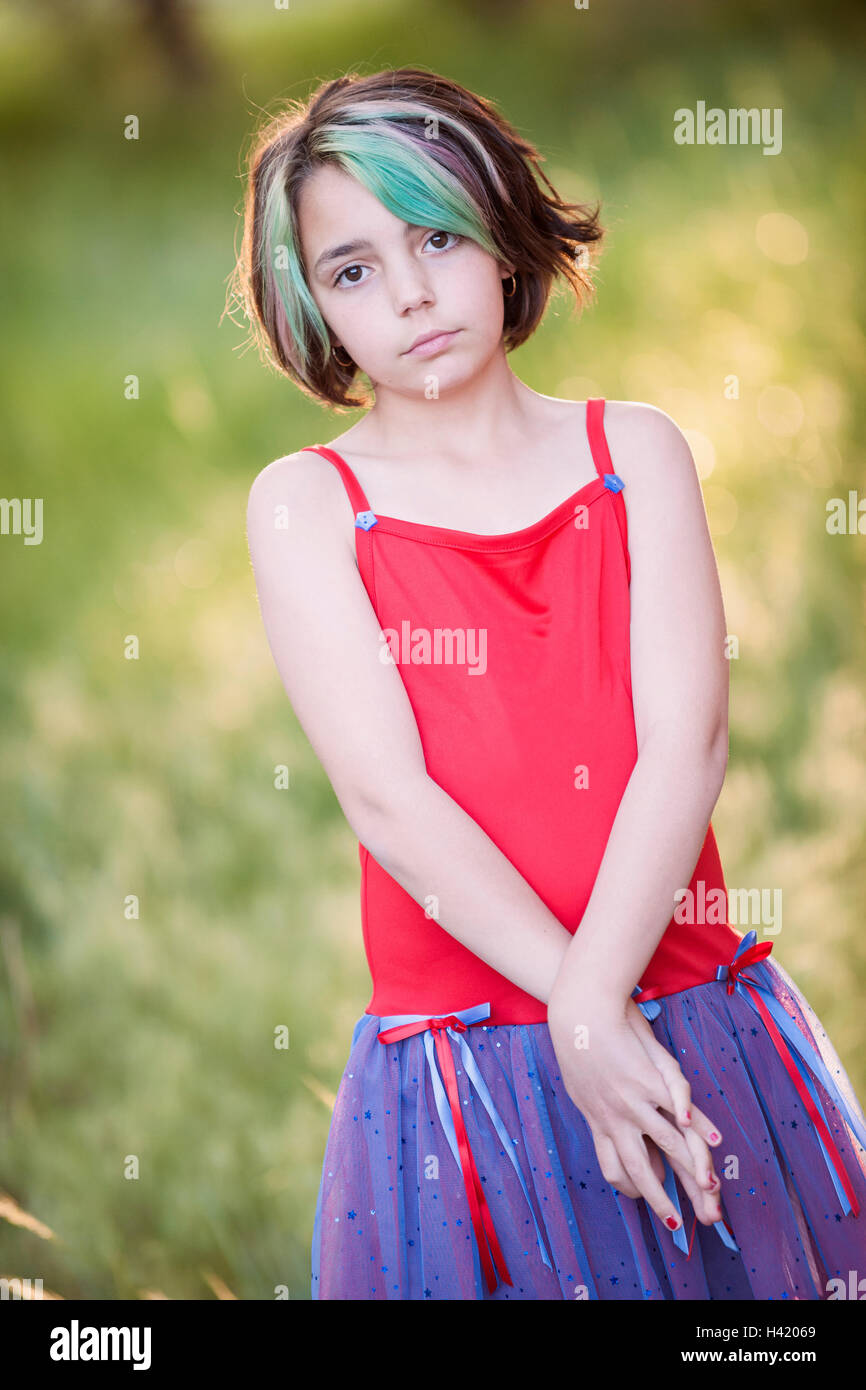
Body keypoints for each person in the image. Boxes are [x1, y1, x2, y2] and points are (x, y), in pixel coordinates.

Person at [232, 65, 866, 1299]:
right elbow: (389, 801)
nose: (409, 293)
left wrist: (596, 1009)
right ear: (311, 303)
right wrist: (572, 1017)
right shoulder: (309, 504)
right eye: (353, 269)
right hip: (466, 1054)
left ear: (504, 229)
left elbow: (683, 745)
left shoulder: (630, 452)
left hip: (678, 1005)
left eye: (436, 237)